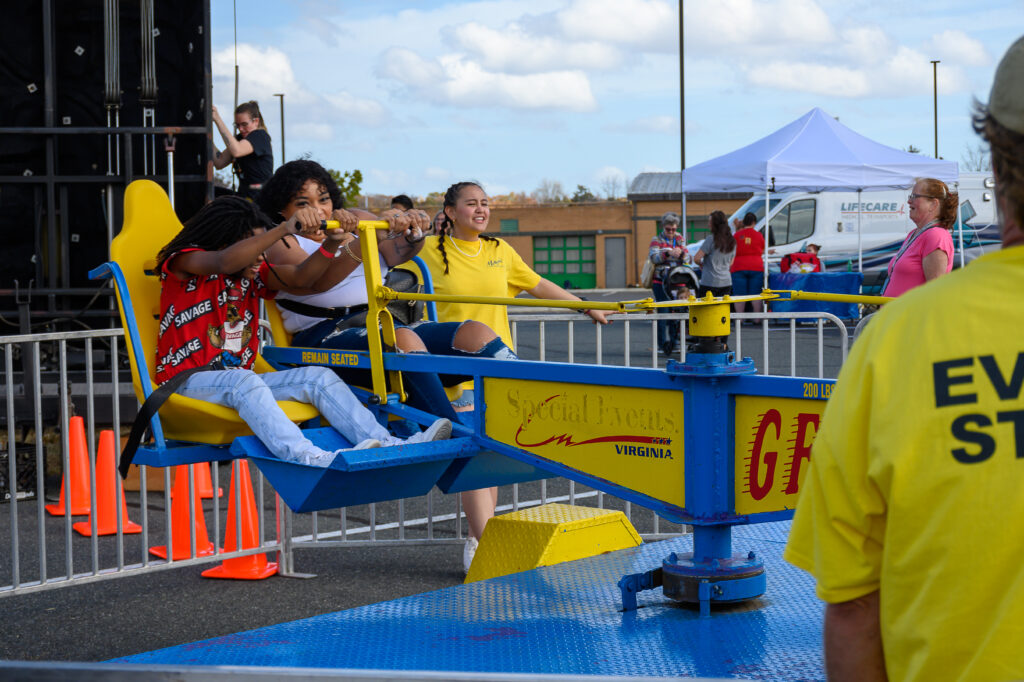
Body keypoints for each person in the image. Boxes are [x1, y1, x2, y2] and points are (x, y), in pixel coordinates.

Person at [784, 34, 1024, 682]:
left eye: (917, 197)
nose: (910, 205)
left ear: (998, 166)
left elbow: (856, 604)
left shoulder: (897, 348)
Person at [155, 196, 452, 469]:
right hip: (186, 381)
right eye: (254, 244)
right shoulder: (184, 261)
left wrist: (333, 243)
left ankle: (388, 444)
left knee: (317, 377)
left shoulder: (252, 276)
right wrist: (283, 229)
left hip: (236, 381)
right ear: (223, 240)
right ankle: (307, 455)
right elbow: (223, 261)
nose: (261, 255)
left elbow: (308, 280)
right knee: (243, 380)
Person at [418, 181, 612, 571]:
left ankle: (479, 542)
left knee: (489, 458)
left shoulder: (499, 251)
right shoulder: (425, 251)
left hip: (497, 371)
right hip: (455, 372)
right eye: (471, 204)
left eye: (485, 203)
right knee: (473, 458)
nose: (480, 209)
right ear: (451, 212)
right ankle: (485, 546)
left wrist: (585, 307)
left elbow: (539, 285)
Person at [258, 161, 514, 440]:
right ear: (282, 210)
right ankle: (458, 439)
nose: (318, 210)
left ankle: (526, 413)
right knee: (402, 339)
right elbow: (314, 281)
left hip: (381, 324)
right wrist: (360, 240)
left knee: (474, 333)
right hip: (323, 336)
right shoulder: (282, 241)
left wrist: (413, 232)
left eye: (324, 199)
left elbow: (396, 253)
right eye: (303, 203)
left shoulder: (354, 221)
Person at [879, 177, 957, 297]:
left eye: (915, 196)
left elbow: (935, 293)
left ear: (933, 204)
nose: (909, 201)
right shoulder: (914, 234)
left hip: (912, 315)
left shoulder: (935, 235)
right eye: (911, 196)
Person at [212, 101, 274, 200]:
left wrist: (217, 120)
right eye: (237, 125)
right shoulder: (239, 140)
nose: (241, 129)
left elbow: (237, 151)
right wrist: (207, 137)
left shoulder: (260, 136)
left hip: (260, 197)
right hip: (244, 195)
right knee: (210, 191)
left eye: (244, 124)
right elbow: (219, 162)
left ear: (256, 121)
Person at [648, 212, 687, 354]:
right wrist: (668, 253)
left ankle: (675, 342)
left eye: (673, 229)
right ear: (663, 227)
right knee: (663, 313)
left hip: (678, 281)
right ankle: (662, 344)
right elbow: (653, 258)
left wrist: (681, 254)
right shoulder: (656, 239)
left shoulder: (680, 238)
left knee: (676, 313)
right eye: (668, 229)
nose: (671, 232)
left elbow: (687, 257)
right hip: (660, 281)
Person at [730, 212, 766, 314]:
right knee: (756, 294)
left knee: (739, 295)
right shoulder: (759, 235)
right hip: (756, 267)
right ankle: (757, 319)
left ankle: (740, 319)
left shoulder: (737, 235)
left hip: (738, 266)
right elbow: (762, 249)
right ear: (754, 222)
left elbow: (731, 251)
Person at [693, 210, 735, 298]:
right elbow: (731, 263)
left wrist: (701, 264)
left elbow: (696, 258)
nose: (708, 224)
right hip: (726, 282)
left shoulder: (711, 239)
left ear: (715, 224)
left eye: (710, 222)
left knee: (705, 311)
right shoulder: (732, 241)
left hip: (709, 282)